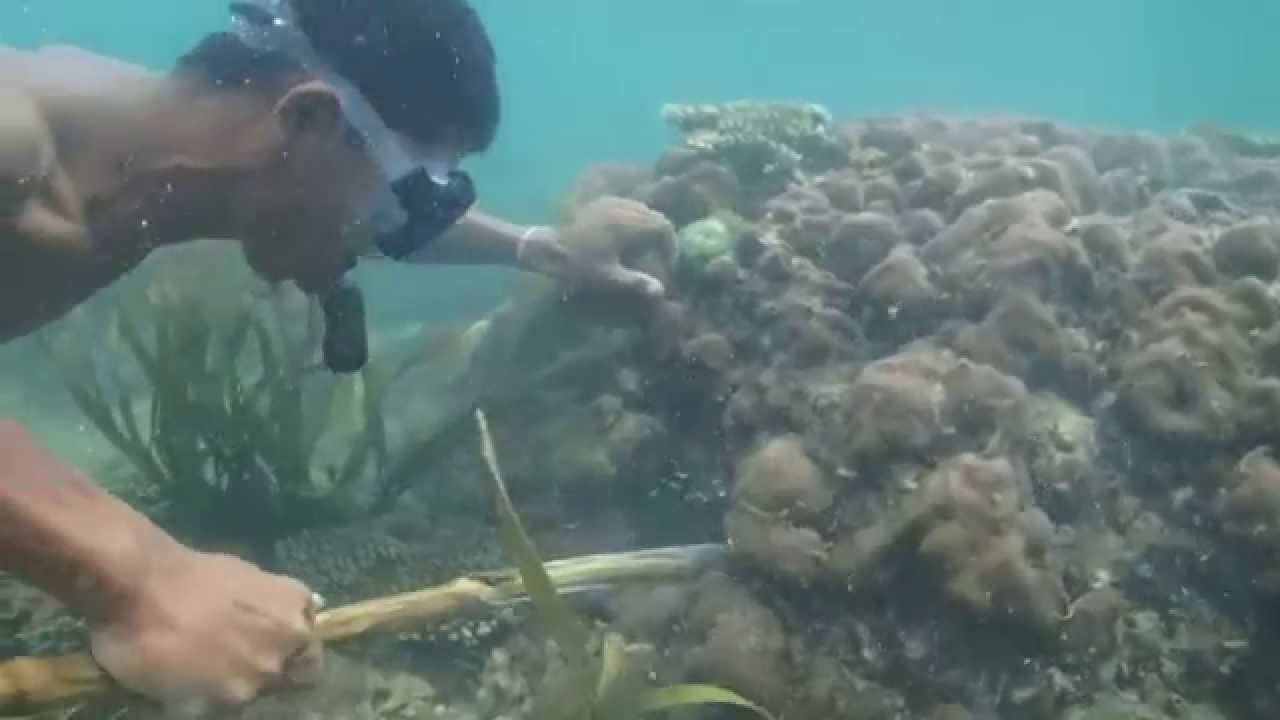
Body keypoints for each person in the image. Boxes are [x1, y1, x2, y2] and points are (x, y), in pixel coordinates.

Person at [0, 0, 674, 714]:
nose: (391, 229)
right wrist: (144, 578)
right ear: (308, 120)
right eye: (400, 199)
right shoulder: (16, 146)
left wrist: (541, 249)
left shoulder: (163, 166)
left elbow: (360, 215)